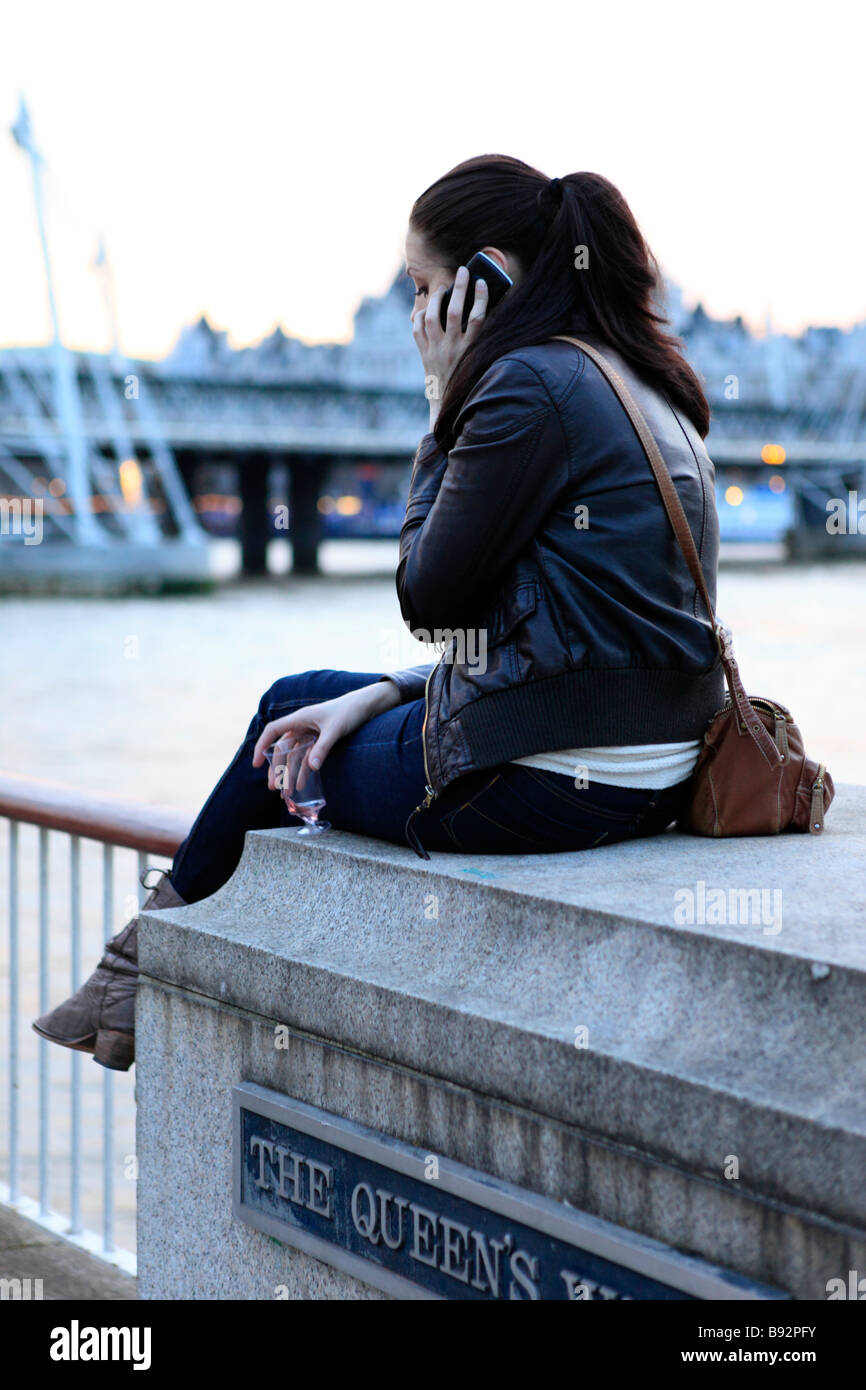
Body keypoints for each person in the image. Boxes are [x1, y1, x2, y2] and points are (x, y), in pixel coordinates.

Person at [33, 154, 724, 1071]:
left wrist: (443, 403)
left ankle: (128, 975)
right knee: (321, 698)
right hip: (660, 767)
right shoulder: (643, 385)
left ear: (486, 281)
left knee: (284, 714)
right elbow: (543, 631)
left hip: (553, 783)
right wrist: (381, 697)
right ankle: (129, 981)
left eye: (424, 284)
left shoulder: (526, 386)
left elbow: (428, 599)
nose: (413, 311)